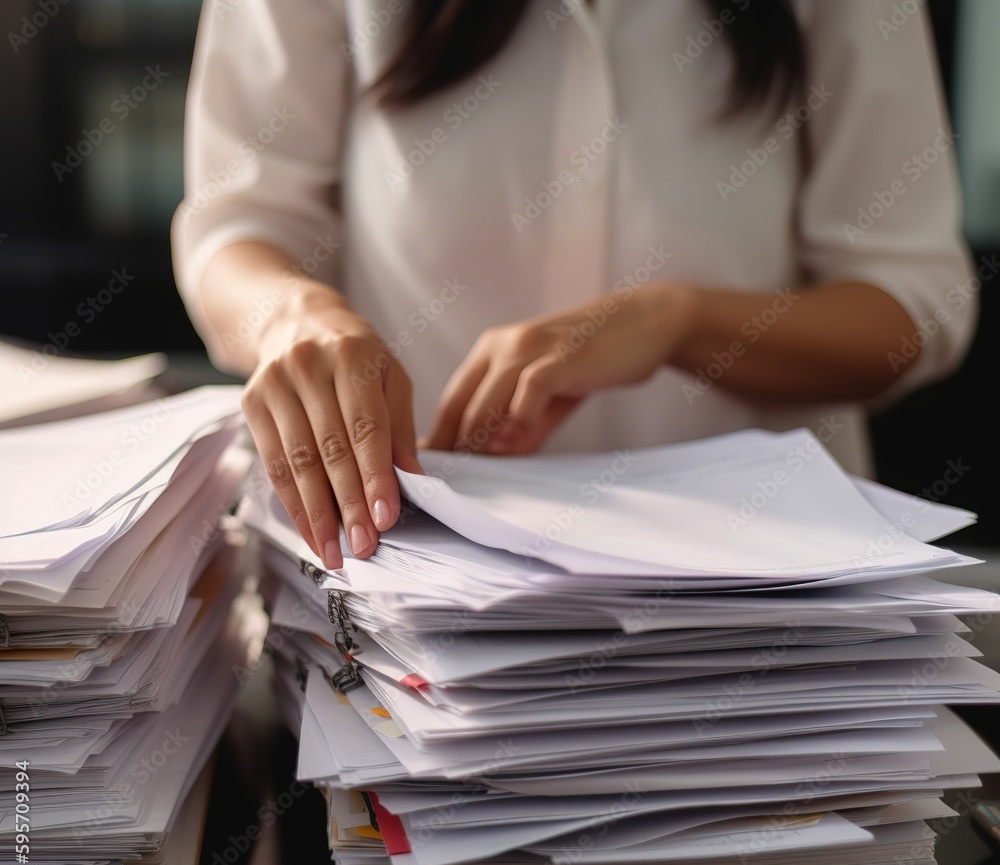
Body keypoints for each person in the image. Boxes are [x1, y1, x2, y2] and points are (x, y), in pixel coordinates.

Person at [172, 0, 975, 572]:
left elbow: (912, 299)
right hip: (418, 572)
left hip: (760, 594)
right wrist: (293, 316)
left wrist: (681, 321)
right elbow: (235, 229)